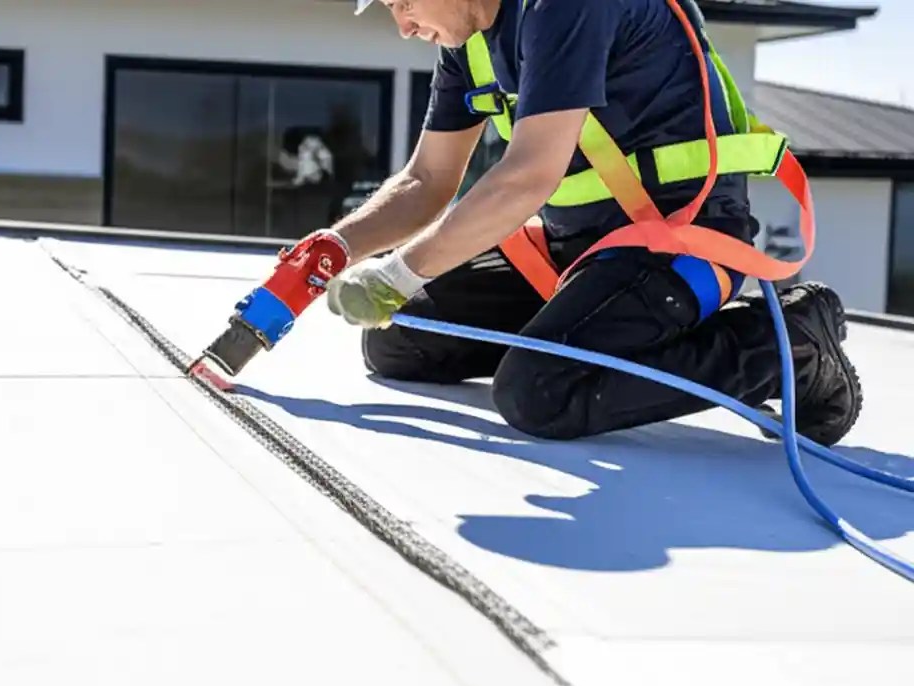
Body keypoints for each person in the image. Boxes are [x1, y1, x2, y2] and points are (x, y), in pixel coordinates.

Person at [310, 0, 862, 446]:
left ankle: (782, 343)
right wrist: (335, 246)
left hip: (679, 245)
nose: (403, 27)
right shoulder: (469, 42)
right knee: (401, 340)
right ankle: (585, 337)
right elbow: (427, 180)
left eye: (404, 2)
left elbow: (528, 175)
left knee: (540, 394)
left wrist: (397, 274)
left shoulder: (568, 6)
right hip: (574, 253)